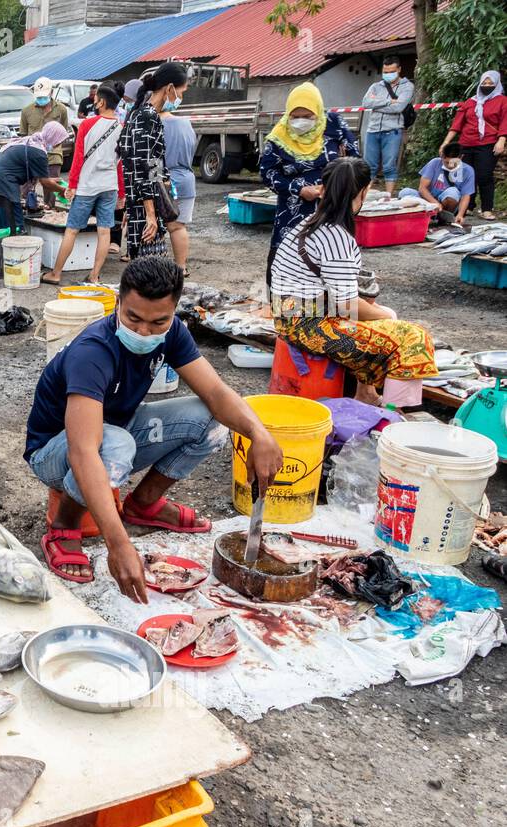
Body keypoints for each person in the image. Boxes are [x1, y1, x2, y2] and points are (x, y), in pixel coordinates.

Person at [25, 256, 284, 595]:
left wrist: (259, 434)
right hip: (55, 450)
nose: (143, 331)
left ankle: (144, 504)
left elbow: (216, 392)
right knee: (113, 445)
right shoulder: (93, 353)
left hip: (117, 430)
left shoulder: (173, 332)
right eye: (132, 318)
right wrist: (118, 544)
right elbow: (83, 450)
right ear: (118, 304)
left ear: (175, 312)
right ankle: (63, 526)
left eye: (158, 321)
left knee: (211, 419)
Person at [271, 157, 437, 406]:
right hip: (306, 325)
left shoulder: (307, 224)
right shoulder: (336, 236)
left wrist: (381, 314)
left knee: (385, 316)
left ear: (323, 189)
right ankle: (398, 411)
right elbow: (347, 305)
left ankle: (366, 393)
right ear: (364, 191)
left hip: (289, 314)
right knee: (413, 337)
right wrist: (387, 319)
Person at [259, 81, 358, 285]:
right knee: (286, 261)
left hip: (332, 207)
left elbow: (355, 159)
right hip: (293, 211)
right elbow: (267, 173)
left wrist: (339, 182)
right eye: (295, 117)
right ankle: (283, 306)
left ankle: (333, 305)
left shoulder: (333, 124)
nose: (301, 121)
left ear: (318, 112)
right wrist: (298, 189)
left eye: (307, 116)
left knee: (332, 257)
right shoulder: (279, 137)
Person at [42, 83, 123, 286]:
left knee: (72, 230)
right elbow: (121, 164)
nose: (94, 102)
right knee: (104, 231)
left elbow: (78, 158)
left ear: (102, 102)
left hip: (87, 187)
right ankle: (94, 275)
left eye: (96, 100)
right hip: (109, 186)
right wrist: (121, 192)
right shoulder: (122, 127)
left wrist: (72, 185)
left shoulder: (87, 125)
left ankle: (56, 273)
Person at [119, 63, 188, 261]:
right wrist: (150, 214)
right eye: (181, 92)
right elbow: (146, 166)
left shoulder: (137, 114)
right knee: (150, 274)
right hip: (145, 207)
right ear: (169, 88)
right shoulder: (148, 117)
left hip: (139, 202)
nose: (180, 98)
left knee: (144, 271)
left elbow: (133, 161)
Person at [441, 70, 505, 220]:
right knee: (465, 175)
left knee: (484, 175)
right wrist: (446, 143)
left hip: (488, 143)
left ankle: (487, 209)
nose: (487, 85)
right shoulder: (470, 102)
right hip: (466, 143)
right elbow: (457, 124)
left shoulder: (502, 101)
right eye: (484, 83)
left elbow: (504, 121)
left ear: (497, 84)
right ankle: (468, 206)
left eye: (490, 83)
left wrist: (501, 139)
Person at [0, 121, 67, 235]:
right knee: (15, 226)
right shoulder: (38, 152)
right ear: (53, 137)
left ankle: (2, 249)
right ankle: (14, 248)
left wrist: (53, 182)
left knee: (5, 222)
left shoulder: (31, 142)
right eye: (58, 142)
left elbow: (44, 179)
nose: (58, 145)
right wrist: (63, 191)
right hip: (4, 183)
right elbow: (45, 183)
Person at [360, 56, 414, 197]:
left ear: (399, 69)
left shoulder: (407, 86)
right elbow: (365, 103)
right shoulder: (376, 86)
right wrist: (389, 101)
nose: (388, 74)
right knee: (369, 166)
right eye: (385, 71)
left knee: (389, 166)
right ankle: (364, 196)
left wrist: (377, 104)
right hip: (373, 129)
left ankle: (388, 197)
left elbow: (398, 107)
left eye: (391, 71)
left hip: (393, 130)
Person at [18, 78, 69, 210]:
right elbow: (23, 135)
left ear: (51, 93)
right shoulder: (26, 111)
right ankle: (27, 210)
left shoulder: (61, 110)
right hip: (32, 155)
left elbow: (62, 133)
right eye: (38, 97)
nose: (41, 100)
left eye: (44, 97)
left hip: (53, 154)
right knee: (27, 187)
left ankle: (49, 210)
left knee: (50, 186)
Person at [400, 142, 475, 226]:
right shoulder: (434, 163)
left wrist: (460, 215)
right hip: (429, 201)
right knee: (405, 192)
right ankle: (423, 216)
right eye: (446, 162)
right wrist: (435, 203)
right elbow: (422, 188)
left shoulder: (468, 170)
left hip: (448, 203)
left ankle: (444, 218)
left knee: (453, 192)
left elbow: (466, 196)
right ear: (442, 156)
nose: (450, 166)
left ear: (461, 157)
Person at [162, 110, 196, 276]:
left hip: (165, 181)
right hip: (187, 179)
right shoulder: (185, 123)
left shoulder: (156, 123)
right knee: (178, 227)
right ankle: (181, 267)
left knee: (161, 227)